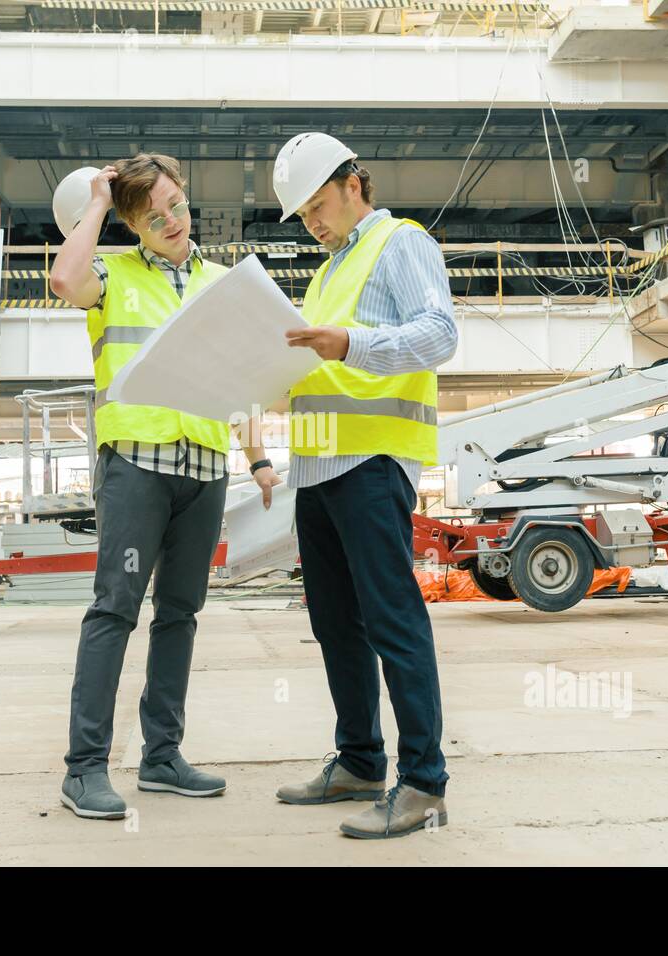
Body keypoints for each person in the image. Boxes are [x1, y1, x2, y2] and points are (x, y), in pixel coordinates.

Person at [49, 154, 279, 820]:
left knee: (180, 614)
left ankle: (161, 758)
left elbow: (245, 380)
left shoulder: (219, 282)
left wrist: (259, 459)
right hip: (137, 469)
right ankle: (84, 768)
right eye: (155, 217)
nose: (174, 221)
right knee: (114, 610)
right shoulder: (109, 275)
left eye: (177, 205)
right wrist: (95, 201)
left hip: (204, 471)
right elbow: (64, 279)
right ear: (132, 225)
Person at [270, 133, 457, 839]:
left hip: (373, 462)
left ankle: (425, 784)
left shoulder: (400, 244)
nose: (313, 223)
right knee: (334, 626)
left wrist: (349, 344)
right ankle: (358, 760)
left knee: (391, 620)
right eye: (304, 215)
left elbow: (439, 334)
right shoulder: (327, 273)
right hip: (318, 468)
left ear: (354, 183)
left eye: (319, 205)